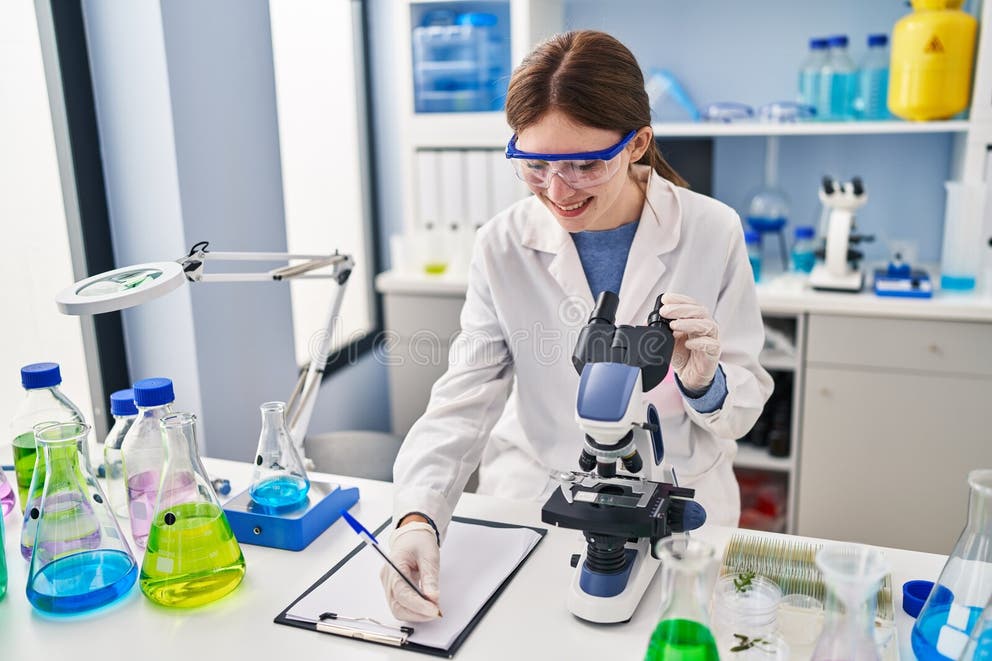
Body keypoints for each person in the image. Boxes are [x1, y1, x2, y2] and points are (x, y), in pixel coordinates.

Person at [381, 30, 773, 622]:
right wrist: (417, 515)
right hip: (539, 493)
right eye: (534, 164)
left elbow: (742, 404)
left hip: (678, 491)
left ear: (638, 143)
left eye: (585, 164)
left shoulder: (712, 230)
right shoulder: (502, 243)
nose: (557, 191)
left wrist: (704, 382)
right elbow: (464, 399)